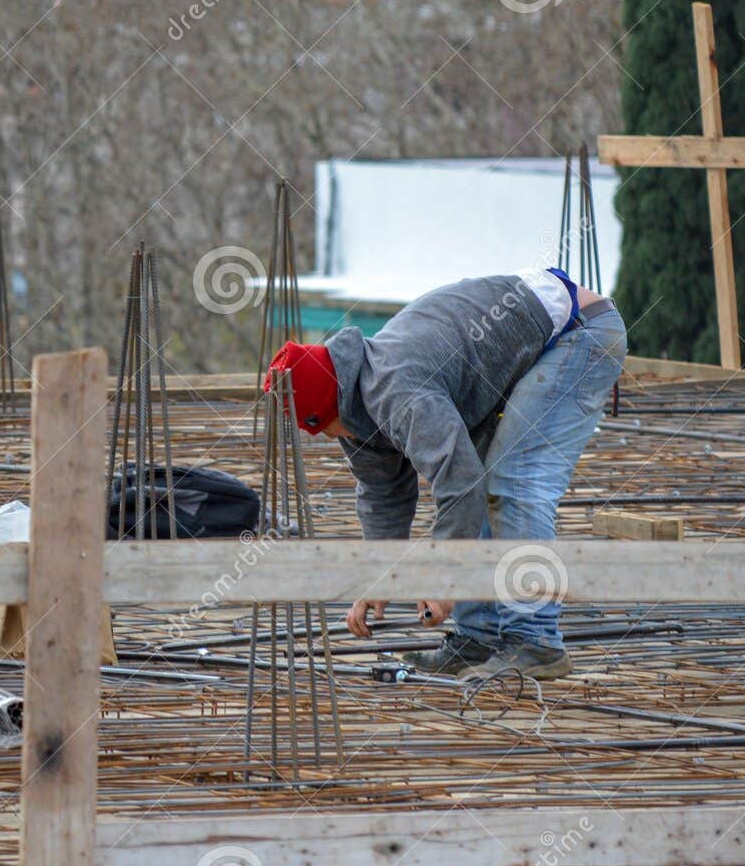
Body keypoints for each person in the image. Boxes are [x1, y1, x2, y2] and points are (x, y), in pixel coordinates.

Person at [266, 267, 626, 680]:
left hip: (578, 333)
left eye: (321, 430)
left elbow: (460, 485)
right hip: (536, 341)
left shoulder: (396, 389)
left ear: (323, 412)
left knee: (513, 482)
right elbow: (383, 493)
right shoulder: (355, 400)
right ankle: (480, 638)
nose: (328, 439)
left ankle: (535, 641)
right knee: (484, 472)